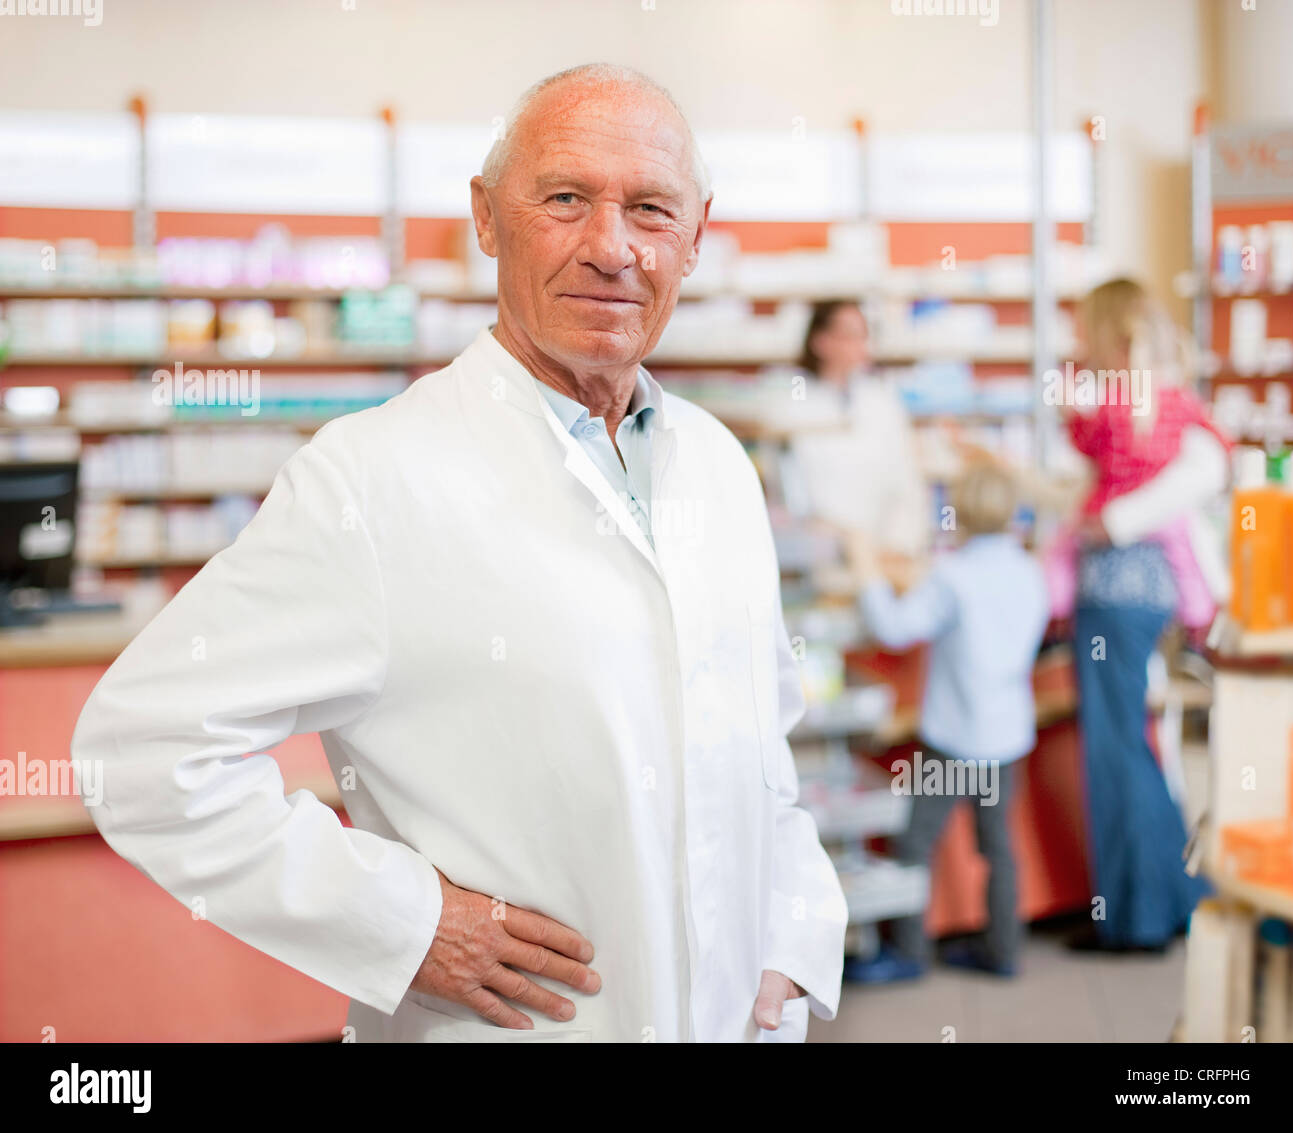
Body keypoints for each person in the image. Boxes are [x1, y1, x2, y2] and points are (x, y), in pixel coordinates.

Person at [71, 64, 847, 1043]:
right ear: (486, 217)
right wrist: (407, 923)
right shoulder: (372, 477)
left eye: (650, 209)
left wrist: (788, 931)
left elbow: (760, 741)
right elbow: (140, 748)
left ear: (695, 237)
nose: (611, 247)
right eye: (564, 199)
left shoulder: (721, 465)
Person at [1061, 278, 1223, 952]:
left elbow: (1200, 469)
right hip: (1145, 591)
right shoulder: (1165, 401)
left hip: (1113, 594)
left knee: (1116, 748)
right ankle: (1176, 897)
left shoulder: (1123, 402)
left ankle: (1131, 918)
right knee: (1133, 744)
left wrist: (1109, 521)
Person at [846, 458, 1049, 978]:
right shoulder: (1030, 570)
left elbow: (893, 628)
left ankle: (909, 953)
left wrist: (867, 572)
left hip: (956, 740)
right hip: (1008, 736)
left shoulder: (953, 576)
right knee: (999, 846)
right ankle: (1004, 951)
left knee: (915, 839)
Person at [776, 299, 930, 557]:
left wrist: (899, 544)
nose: (860, 345)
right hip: (823, 548)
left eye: (863, 335)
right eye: (849, 335)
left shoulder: (882, 401)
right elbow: (791, 489)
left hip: (885, 548)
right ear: (820, 342)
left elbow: (906, 480)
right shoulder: (794, 405)